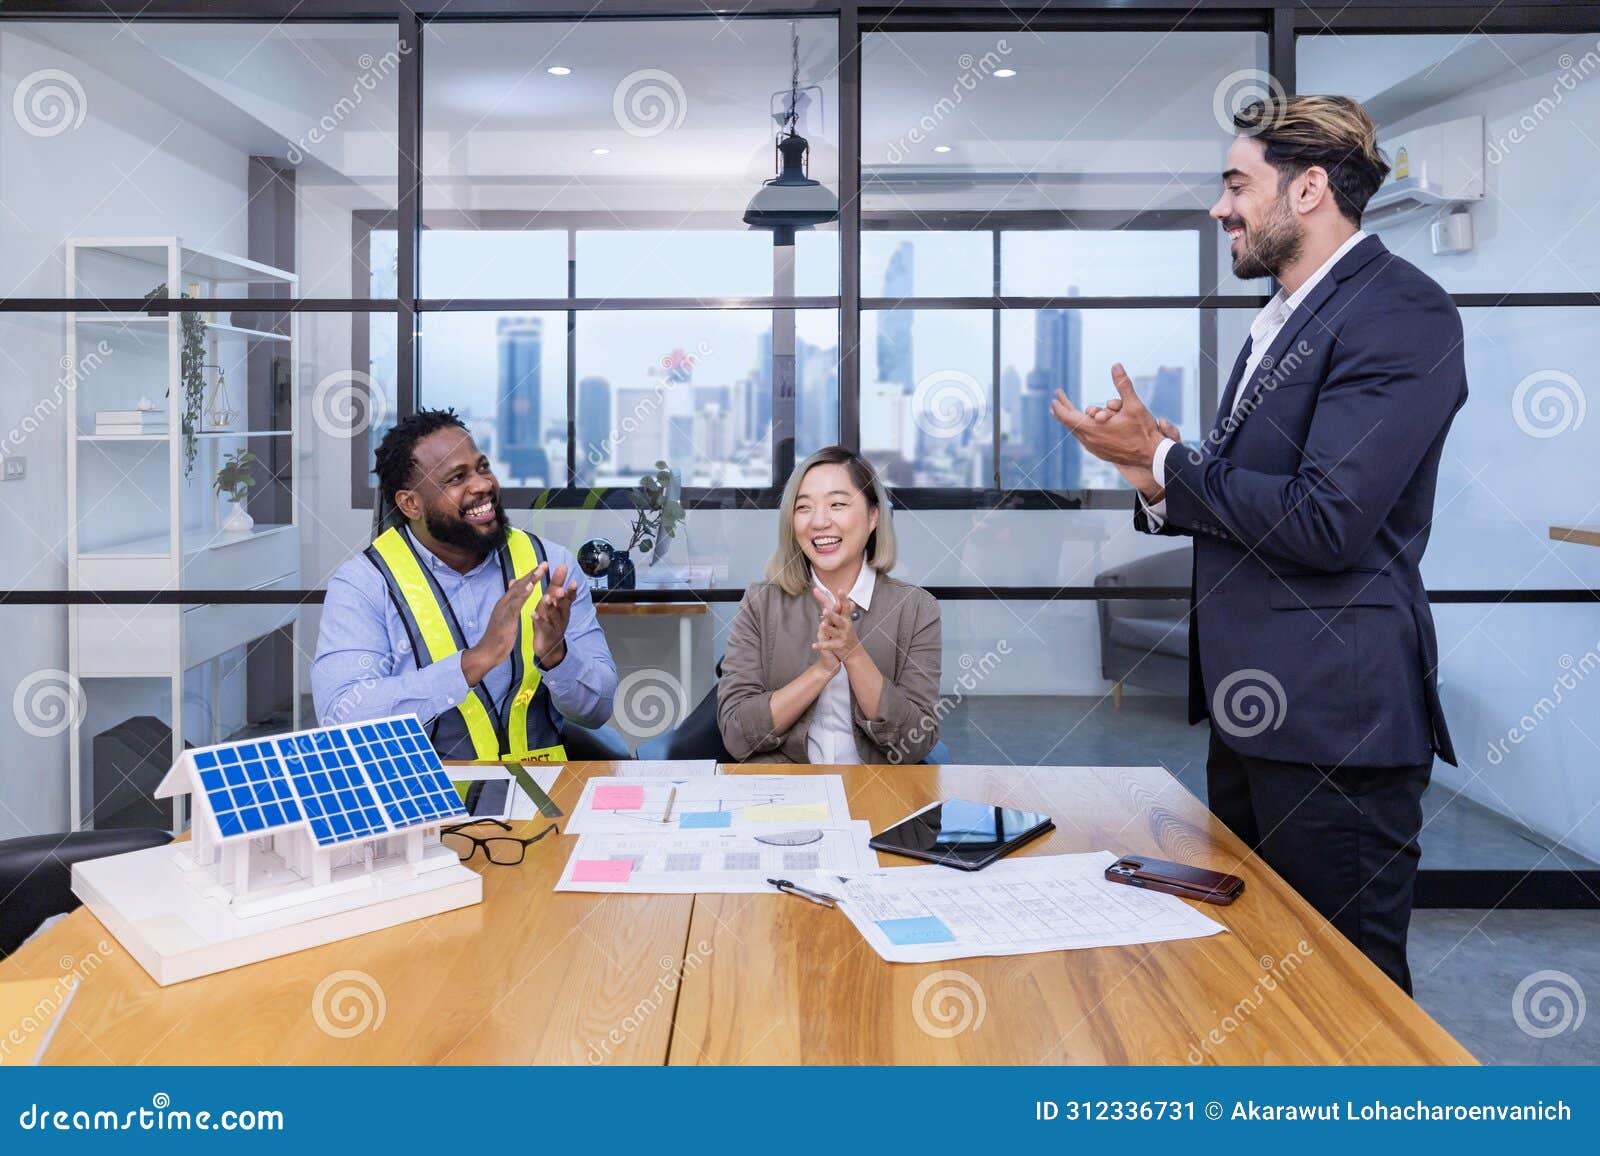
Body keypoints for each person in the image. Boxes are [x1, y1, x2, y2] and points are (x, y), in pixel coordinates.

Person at [1051, 95, 1465, 994]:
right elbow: (1256, 500)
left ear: (1309, 189)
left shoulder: (1400, 312)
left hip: (1334, 726)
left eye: (1237, 185)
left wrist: (1169, 458)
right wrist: (1156, 477)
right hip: (1256, 718)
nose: (1220, 207)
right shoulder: (1284, 318)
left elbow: (1327, 519)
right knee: (1255, 975)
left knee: (1344, 995)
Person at [313, 409, 617, 761]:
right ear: (410, 503)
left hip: (540, 788)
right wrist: (474, 661)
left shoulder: (550, 565)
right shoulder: (365, 583)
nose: (483, 485)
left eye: (483, 468)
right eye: (457, 478)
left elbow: (597, 712)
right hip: (426, 789)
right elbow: (341, 720)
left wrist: (557, 655)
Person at [718, 446, 941, 764]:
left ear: (873, 516)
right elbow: (736, 735)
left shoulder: (917, 609)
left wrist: (853, 654)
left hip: (878, 789)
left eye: (837, 504)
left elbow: (916, 741)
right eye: (803, 507)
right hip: (786, 788)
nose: (819, 522)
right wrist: (821, 671)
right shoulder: (760, 604)